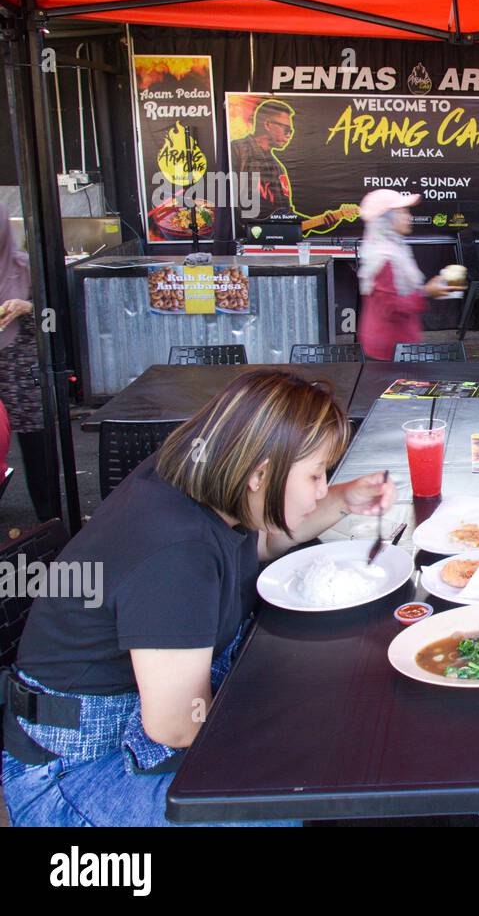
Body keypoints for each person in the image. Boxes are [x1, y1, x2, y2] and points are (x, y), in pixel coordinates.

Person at [0, 369, 396, 826]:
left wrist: (345, 499)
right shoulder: (175, 552)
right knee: (286, 795)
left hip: (138, 730)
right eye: (316, 475)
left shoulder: (202, 482)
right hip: (77, 774)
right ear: (259, 474)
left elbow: (260, 546)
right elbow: (177, 724)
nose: (323, 487)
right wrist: (303, 707)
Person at [0, 204, 58, 521]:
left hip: (24, 382)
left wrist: (28, 307)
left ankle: (49, 522)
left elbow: (53, 323)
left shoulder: (26, 269)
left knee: (39, 458)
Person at [232, 98, 355, 234]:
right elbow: (224, 199)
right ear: (267, 124)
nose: (289, 135)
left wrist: (325, 221)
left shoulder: (277, 168)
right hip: (243, 237)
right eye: (286, 129)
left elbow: (286, 215)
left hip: (270, 237)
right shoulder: (237, 151)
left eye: (291, 131)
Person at [356, 188, 452, 360]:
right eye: (402, 212)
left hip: (398, 345)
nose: (409, 217)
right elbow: (391, 308)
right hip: (388, 350)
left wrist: (426, 290)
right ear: (385, 220)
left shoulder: (394, 250)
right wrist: (426, 292)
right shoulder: (384, 258)